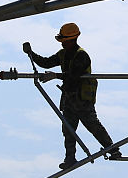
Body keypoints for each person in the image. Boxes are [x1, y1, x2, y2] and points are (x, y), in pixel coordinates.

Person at [22, 22, 118, 169]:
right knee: (68, 129)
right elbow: (46, 62)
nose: (62, 43)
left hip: (82, 99)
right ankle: (70, 158)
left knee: (93, 125)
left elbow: (74, 75)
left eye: (64, 40)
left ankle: (113, 149)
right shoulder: (63, 54)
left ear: (72, 39)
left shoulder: (81, 55)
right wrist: (31, 53)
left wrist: (55, 76)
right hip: (69, 99)